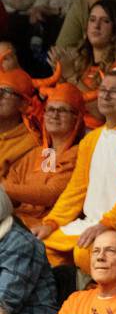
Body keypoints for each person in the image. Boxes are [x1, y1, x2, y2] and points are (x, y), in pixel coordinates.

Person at [33, 67, 116, 275]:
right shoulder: (91, 139)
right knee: (38, 245)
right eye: (103, 89)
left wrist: (107, 224)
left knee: (84, 253)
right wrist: (51, 222)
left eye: (115, 91)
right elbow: (76, 189)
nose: (106, 95)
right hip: (88, 224)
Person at [2, 82, 82, 231]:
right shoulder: (39, 153)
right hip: (16, 221)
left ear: (76, 118)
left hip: (45, 227)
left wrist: (5, 189)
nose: (54, 115)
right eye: (50, 109)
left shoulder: (78, 153)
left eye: (63, 110)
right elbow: (11, 182)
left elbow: (51, 193)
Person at [47, 0, 116, 128]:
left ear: (115, 32)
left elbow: (102, 112)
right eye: (92, 20)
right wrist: (60, 77)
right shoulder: (78, 61)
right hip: (68, 130)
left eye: (105, 21)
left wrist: (71, 76)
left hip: (96, 135)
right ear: (86, 29)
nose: (96, 26)